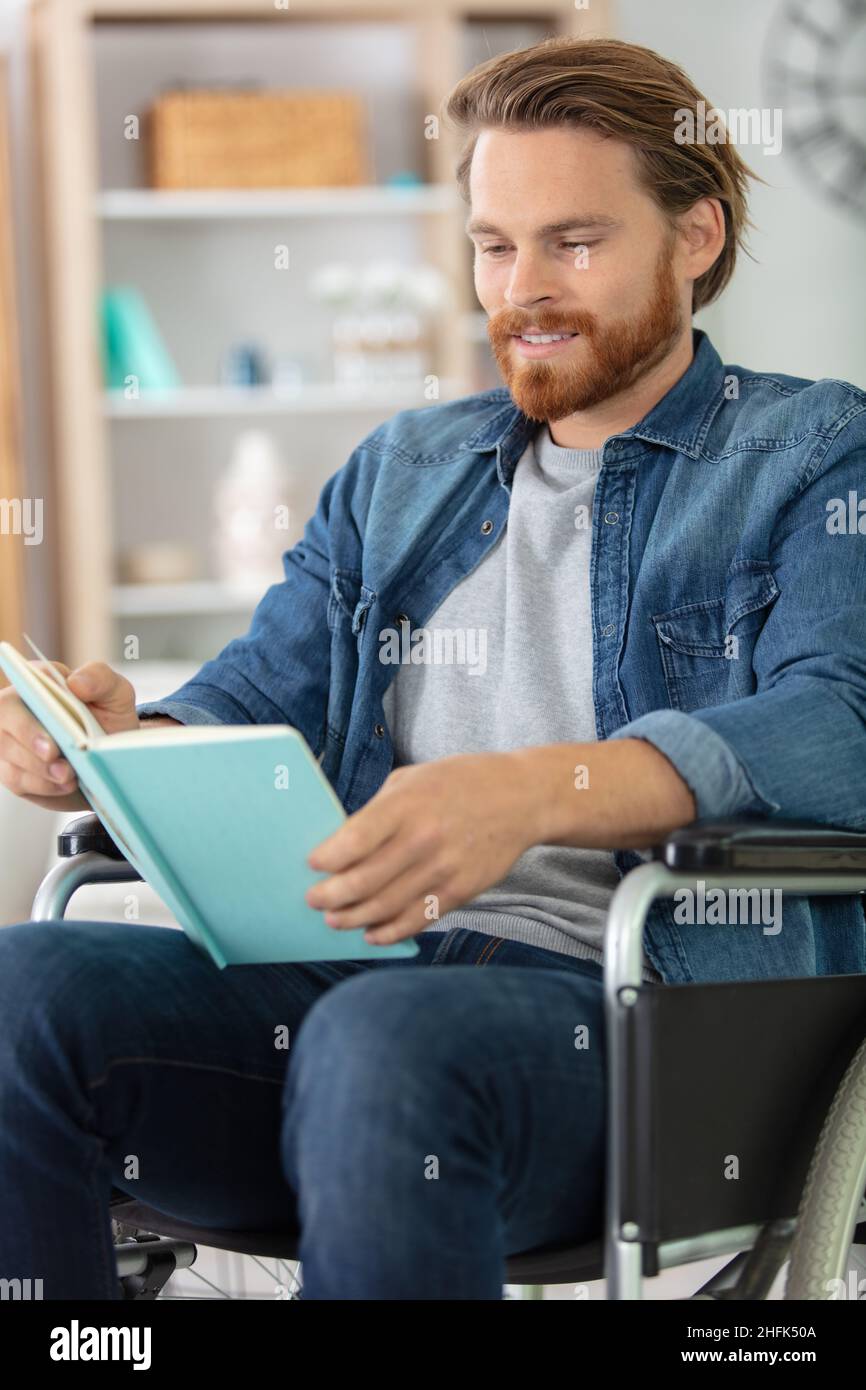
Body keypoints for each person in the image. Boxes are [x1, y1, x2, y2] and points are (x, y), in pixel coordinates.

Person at [1, 36, 865, 1300]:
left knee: (381, 1042)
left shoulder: (813, 450)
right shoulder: (403, 469)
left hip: (641, 1021)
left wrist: (533, 791)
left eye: (573, 241)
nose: (521, 289)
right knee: (27, 987)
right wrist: (118, 738)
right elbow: (251, 703)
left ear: (693, 238)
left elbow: (840, 720)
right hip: (358, 983)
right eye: (492, 245)